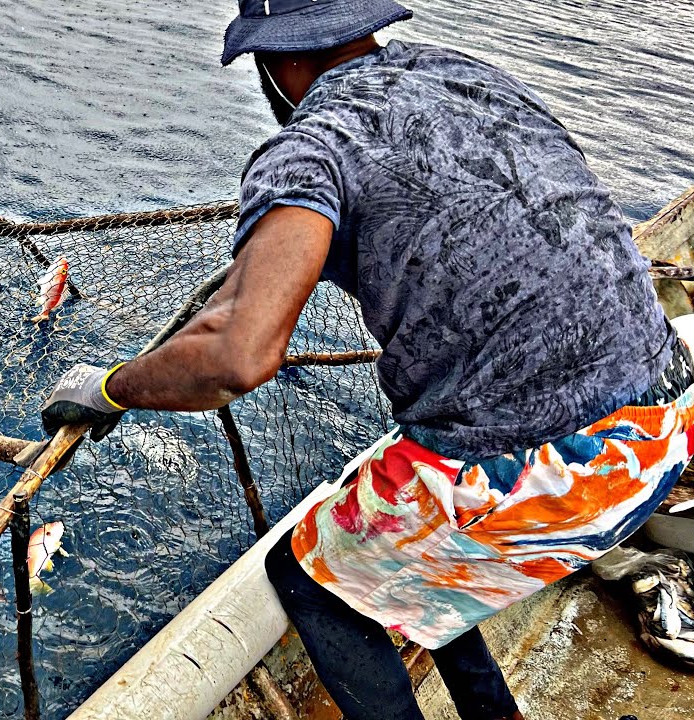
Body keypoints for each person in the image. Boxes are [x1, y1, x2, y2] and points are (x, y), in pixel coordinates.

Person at [37, 1, 694, 719]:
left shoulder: (311, 148)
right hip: (664, 422)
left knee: (307, 577)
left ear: (280, 62)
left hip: (552, 476)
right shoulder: (467, 75)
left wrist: (112, 387)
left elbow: (238, 356)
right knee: (409, 555)